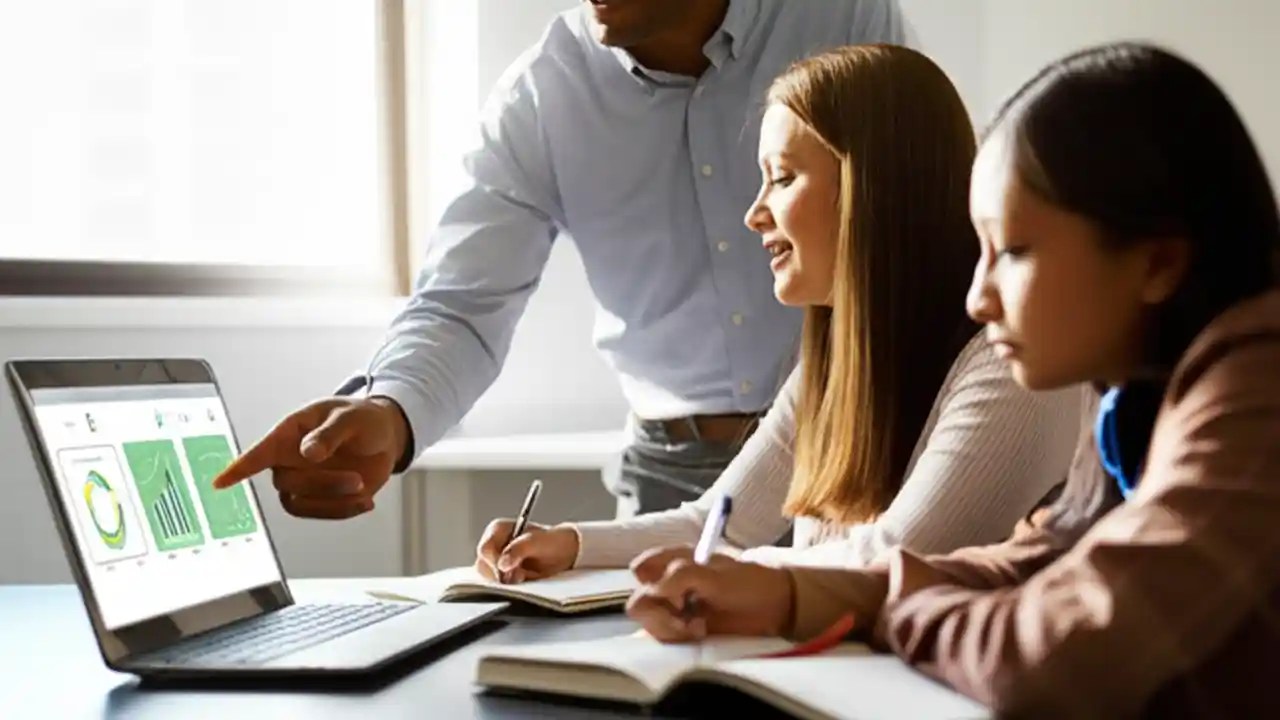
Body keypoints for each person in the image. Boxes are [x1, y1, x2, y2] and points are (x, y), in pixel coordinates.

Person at [625, 42, 1280, 719]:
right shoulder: (1129, 392)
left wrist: (889, 609)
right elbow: (1036, 562)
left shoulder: (1260, 399)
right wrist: (790, 598)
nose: (978, 298)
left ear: (1158, 263)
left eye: (1014, 251)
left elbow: (1056, 654)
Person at [211, 0, 918, 520]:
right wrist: (389, 410)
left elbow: (912, 230)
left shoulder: (845, 20)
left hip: (851, 446)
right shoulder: (542, 93)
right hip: (667, 479)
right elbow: (462, 304)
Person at [472, 44, 1082, 585]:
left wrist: (712, 572)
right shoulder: (834, 362)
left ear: (873, 187)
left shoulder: (1007, 368)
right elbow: (717, 526)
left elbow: (894, 560)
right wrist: (570, 544)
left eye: (782, 178)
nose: (754, 214)